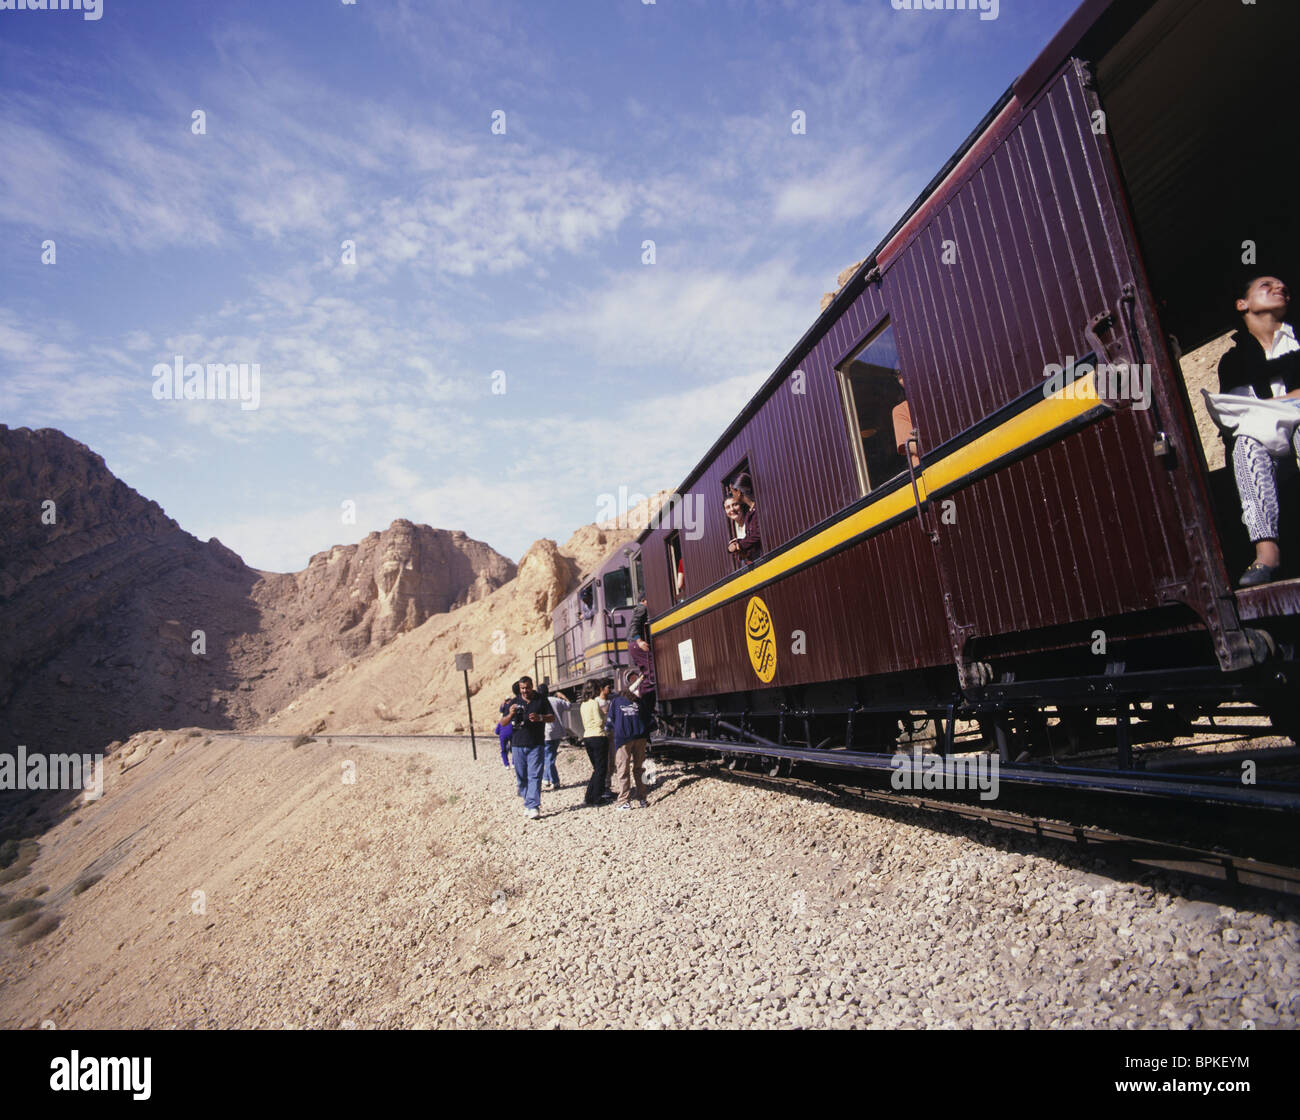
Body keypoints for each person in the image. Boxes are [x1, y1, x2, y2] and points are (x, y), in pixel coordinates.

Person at [1213, 276, 1300, 586]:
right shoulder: (1234, 361)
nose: (1280, 288)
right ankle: (1266, 554)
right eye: (1267, 285)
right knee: (1246, 442)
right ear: (1243, 304)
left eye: (1283, 287)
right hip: (1273, 446)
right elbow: (1239, 413)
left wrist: (1274, 404)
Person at [497, 675, 552, 819]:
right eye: (522, 688)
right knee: (521, 777)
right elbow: (502, 723)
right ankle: (528, 802)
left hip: (536, 743)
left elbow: (552, 717)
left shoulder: (541, 699)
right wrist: (510, 714)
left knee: (535, 775)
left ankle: (533, 806)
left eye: (527, 688)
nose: (525, 691)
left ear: (532, 686)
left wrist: (540, 718)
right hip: (518, 744)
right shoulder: (514, 702)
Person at [606, 670, 651, 810]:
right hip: (640, 737)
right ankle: (643, 799)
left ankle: (624, 801)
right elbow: (647, 720)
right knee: (639, 769)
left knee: (623, 770)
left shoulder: (615, 702)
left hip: (623, 739)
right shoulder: (640, 702)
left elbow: (610, 723)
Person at [578, 682, 609, 806]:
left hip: (587, 737)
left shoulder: (583, 704)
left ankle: (589, 797)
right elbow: (599, 721)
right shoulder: (594, 703)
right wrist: (604, 716)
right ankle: (597, 798)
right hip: (599, 736)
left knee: (597, 769)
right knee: (601, 769)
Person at [543, 690, 570, 789]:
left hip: (545, 733)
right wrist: (563, 696)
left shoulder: (539, 701)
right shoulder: (556, 700)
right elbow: (569, 705)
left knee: (548, 757)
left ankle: (549, 779)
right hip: (557, 732)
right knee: (551, 756)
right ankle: (550, 779)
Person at [724, 494, 761, 566]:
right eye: (728, 507)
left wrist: (739, 544)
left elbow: (757, 535)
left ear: (741, 505)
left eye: (735, 504)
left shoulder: (750, 519)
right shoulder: (733, 528)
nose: (732, 509)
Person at [495, 690, 516, 770]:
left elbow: (496, 732)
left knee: (504, 749)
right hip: (510, 727)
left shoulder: (502, 720)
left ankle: (507, 764)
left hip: (504, 733)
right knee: (513, 747)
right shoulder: (510, 706)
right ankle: (512, 763)